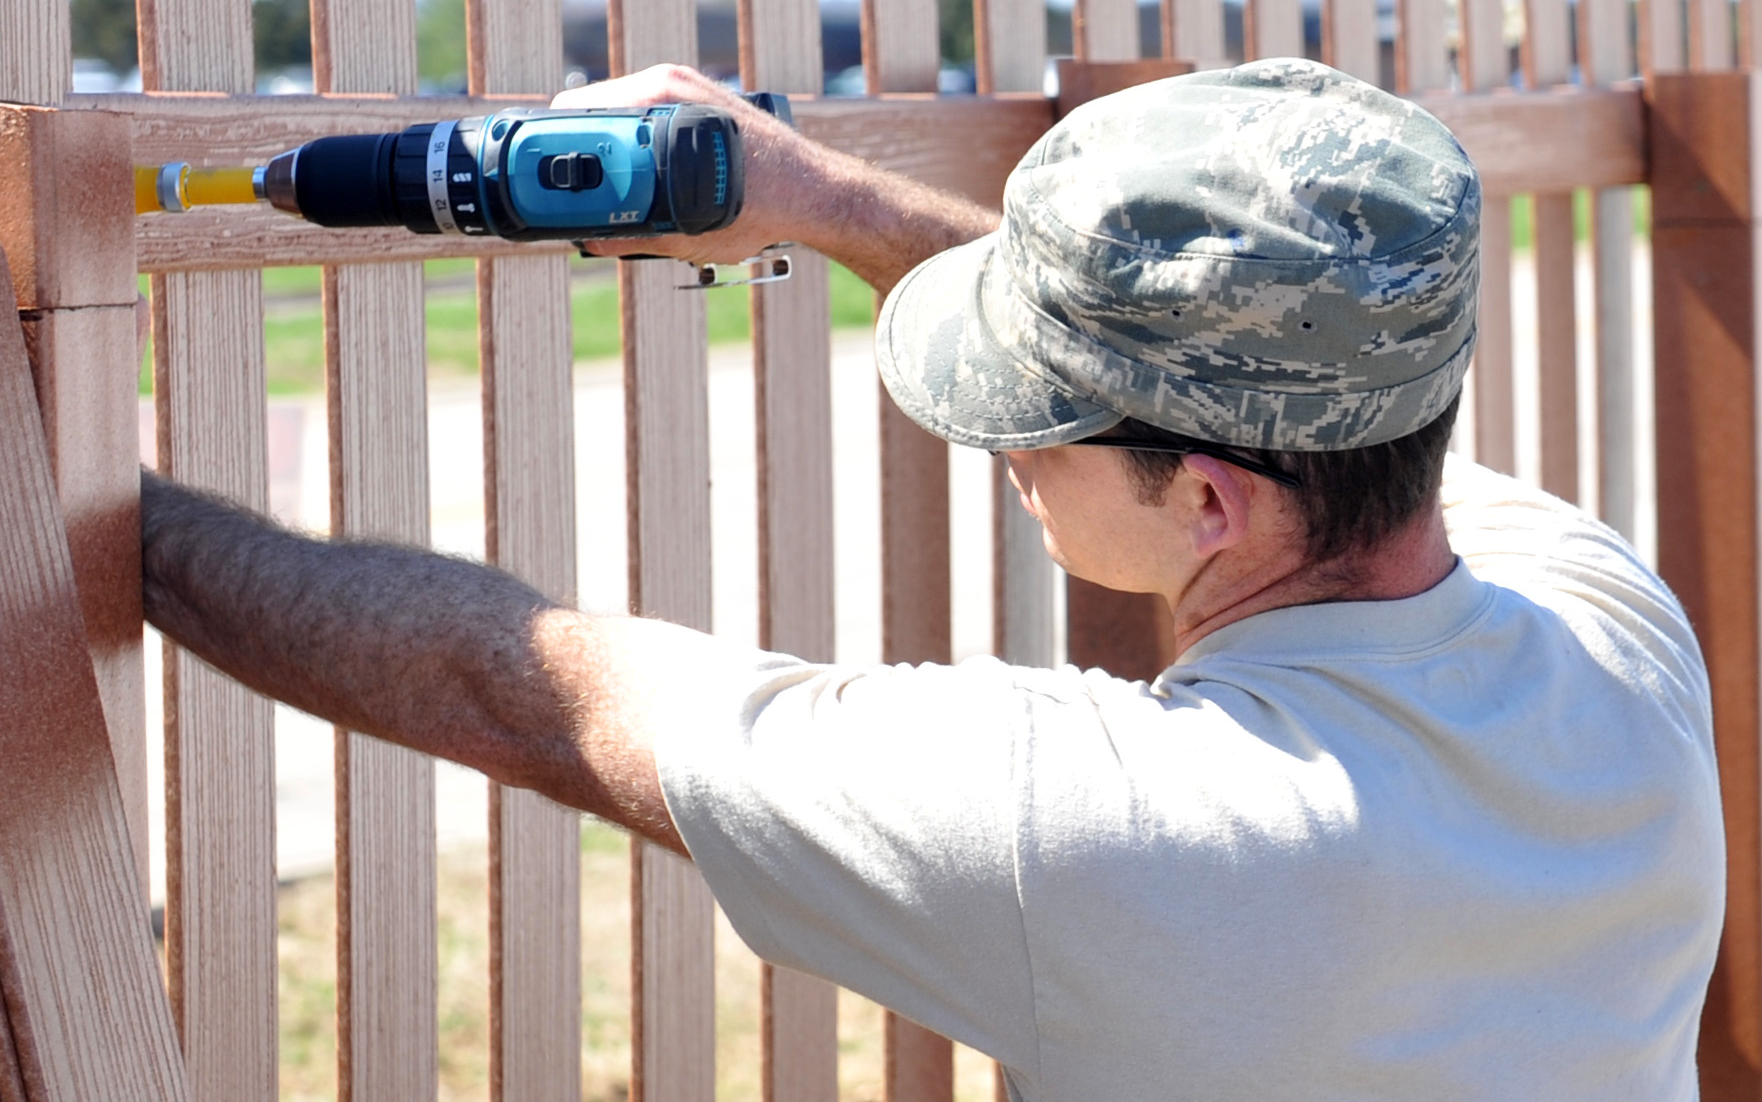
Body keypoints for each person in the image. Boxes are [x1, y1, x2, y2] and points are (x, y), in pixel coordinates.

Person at [140, 59, 1723, 1100]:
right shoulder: (1608, 628)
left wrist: (110, 520)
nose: (1006, 450)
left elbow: (527, 685)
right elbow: (1243, 373)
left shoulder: (1111, 833)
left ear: (1215, 507)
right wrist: (818, 197)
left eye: (1033, 424)